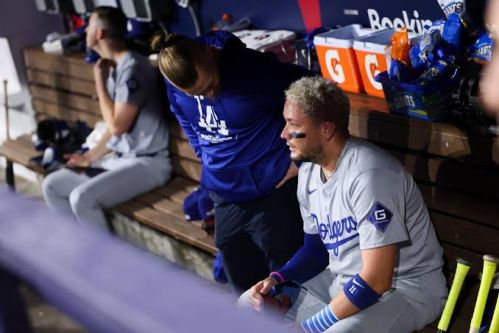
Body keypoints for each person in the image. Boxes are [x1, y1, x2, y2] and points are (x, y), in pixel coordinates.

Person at [241, 77, 447, 333]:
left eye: (293, 125)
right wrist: (279, 281)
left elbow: (377, 279)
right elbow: (315, 250)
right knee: (247, 308)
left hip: (406, 288)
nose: (284, 134)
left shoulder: (370, 175)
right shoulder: (309, 172)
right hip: (344, 281)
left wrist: (308, 327)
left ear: (326, 130)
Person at [151, 30, 311, 293]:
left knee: (284, 284)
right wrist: (205, 154)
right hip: (223, 193)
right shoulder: (175, 78)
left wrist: (300, 159)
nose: (209, 94)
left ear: (211, 53)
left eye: (211, 84)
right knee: (244, 287)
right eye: (198, 93)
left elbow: (313, 90)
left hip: (272, 190)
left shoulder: (251, 70)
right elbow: (184, 119)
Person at [42, 6, 171, 230]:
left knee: (82, 198)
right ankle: (78, 249)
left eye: (90, 26)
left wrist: (99, 83)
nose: (85, 31)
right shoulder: (115, 66)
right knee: (52, 185)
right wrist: (89, 157)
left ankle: (103, 261)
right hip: (120, 158)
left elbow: (118, 126)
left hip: (148, 162)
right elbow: (114, 130)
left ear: (100, 33)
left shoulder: (133, 68)